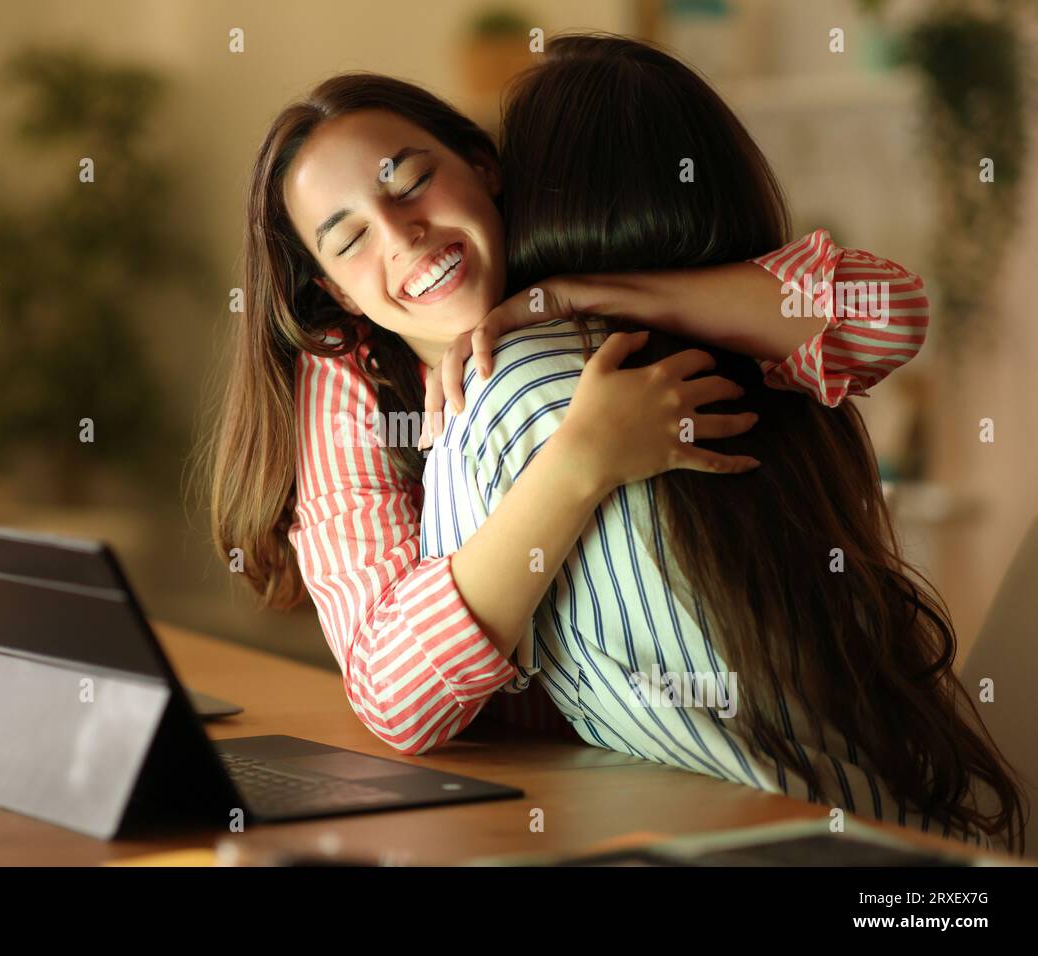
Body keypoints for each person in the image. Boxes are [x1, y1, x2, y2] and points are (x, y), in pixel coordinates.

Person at [210, 58, 931, 772]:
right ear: (335, 290)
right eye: (349, 239)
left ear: (482, 165)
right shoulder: (350, 379)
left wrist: (583, 294)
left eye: (411, 181)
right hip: (549, 773)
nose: (401, 235)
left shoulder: (584, 243)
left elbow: (888, 316)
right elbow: (397, 698)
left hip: (711, 758)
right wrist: (581, 461)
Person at [418, 33, 1025, 850]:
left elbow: (434, 696)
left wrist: (567, 295)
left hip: (756, 847)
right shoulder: (769, 353)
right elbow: (897, 313)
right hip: (907, 847)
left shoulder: (498, 387)